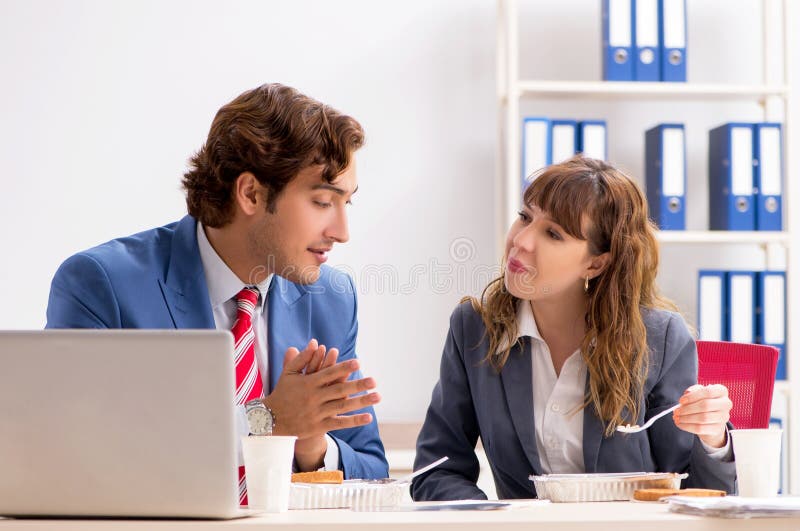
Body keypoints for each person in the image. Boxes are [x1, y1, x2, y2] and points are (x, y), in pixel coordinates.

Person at [46, 83, 389, 502]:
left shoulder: (330, 298)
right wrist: (267, 422)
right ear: (251, 193)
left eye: (346, 204)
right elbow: (76, 459)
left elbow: (371, 472)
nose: (342, 232)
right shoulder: (103, 285)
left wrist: (309, 445)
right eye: (322, 201)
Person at [412, 155, 736, 501]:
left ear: (596, 263)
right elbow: (436, 471)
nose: (521, 241)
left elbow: (699, 493)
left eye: (553, 233)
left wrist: (713, 437)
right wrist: (499, 523)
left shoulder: (661, 339)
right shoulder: (474, 331)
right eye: (524, 217)